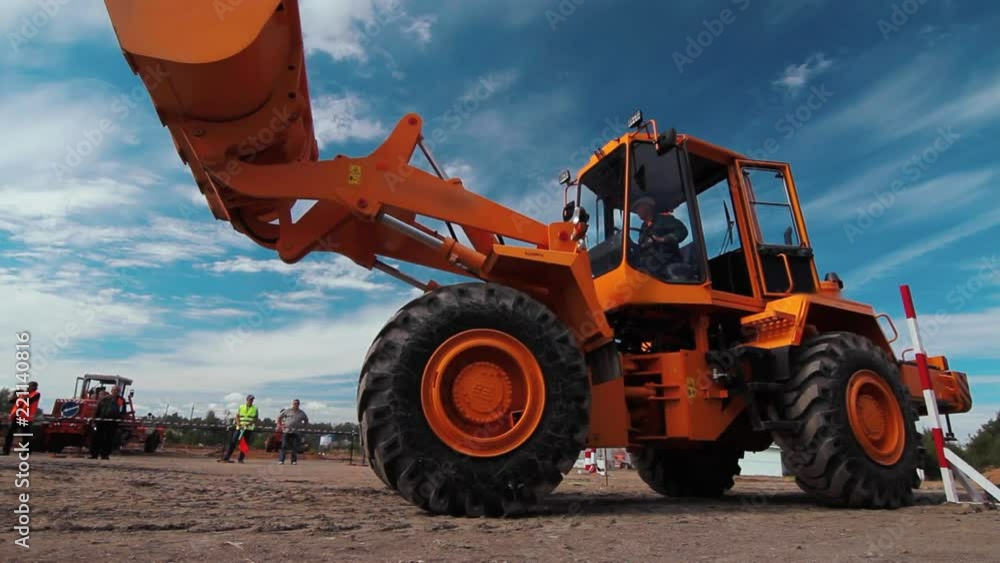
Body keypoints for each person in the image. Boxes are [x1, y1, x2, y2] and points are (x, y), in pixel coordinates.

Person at [630, 196, 689, 275]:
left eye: (639, 208)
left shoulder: (664, 219)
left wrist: (661, 239)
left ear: (648, 207)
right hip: (649, 260)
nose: (637, 211)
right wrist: (629, 243)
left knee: (640, 270)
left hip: (666, 259)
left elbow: (682, 231)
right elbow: (642, 247)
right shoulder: (643, 227)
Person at [3, 382, 40, 456]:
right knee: (9, 434)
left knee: (26, 436)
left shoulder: (36, 394)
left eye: (34, 386)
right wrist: (15, 394)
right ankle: (6, 451)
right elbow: (11, 401)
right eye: (31, 386)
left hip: (26, 418)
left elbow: (29, 401)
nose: (32, 388)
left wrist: (22, 395)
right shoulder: (22, 394)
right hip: (17, 416)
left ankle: (27, 452)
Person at [89, 386, 125, 460]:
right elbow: (98, 409)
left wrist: (120, 419)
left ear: (119, 392)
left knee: (109, 439)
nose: (116, 391)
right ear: (111, 390)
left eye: (117, 390)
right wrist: (94, 420)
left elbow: (122, 411)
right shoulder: (104, 399)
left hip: (113, 423)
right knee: (96, 438)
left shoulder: (121, 400)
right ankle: (94, 454)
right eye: (114, 390)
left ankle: (105, 455)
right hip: (101, 421)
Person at [221, 394, 258, 463]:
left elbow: (255, 419)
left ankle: (240, 459)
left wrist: (248, 424)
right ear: (247, 400)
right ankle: (226, 457)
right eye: (250, 399)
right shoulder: (241, 407)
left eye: (252, 400)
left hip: (248, 428)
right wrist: (238, 423)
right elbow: (237, 416)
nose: (251, 401)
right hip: (239, 428)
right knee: (233, 442)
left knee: (244, 444)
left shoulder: (255, 409)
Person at [277, 399, 308, 465]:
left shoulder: (302, 413)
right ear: (293, 404)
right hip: (286, 431)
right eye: (295, 403)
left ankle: (293, 461)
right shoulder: (287, 411)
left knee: (295, 447)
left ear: (299, 404)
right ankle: (281, 460)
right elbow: (279, 417)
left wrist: (303, 427)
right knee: (284, 446)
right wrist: (280, 426)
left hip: (296, 432)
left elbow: (306, 420)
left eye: (297, 403)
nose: (296, 404)